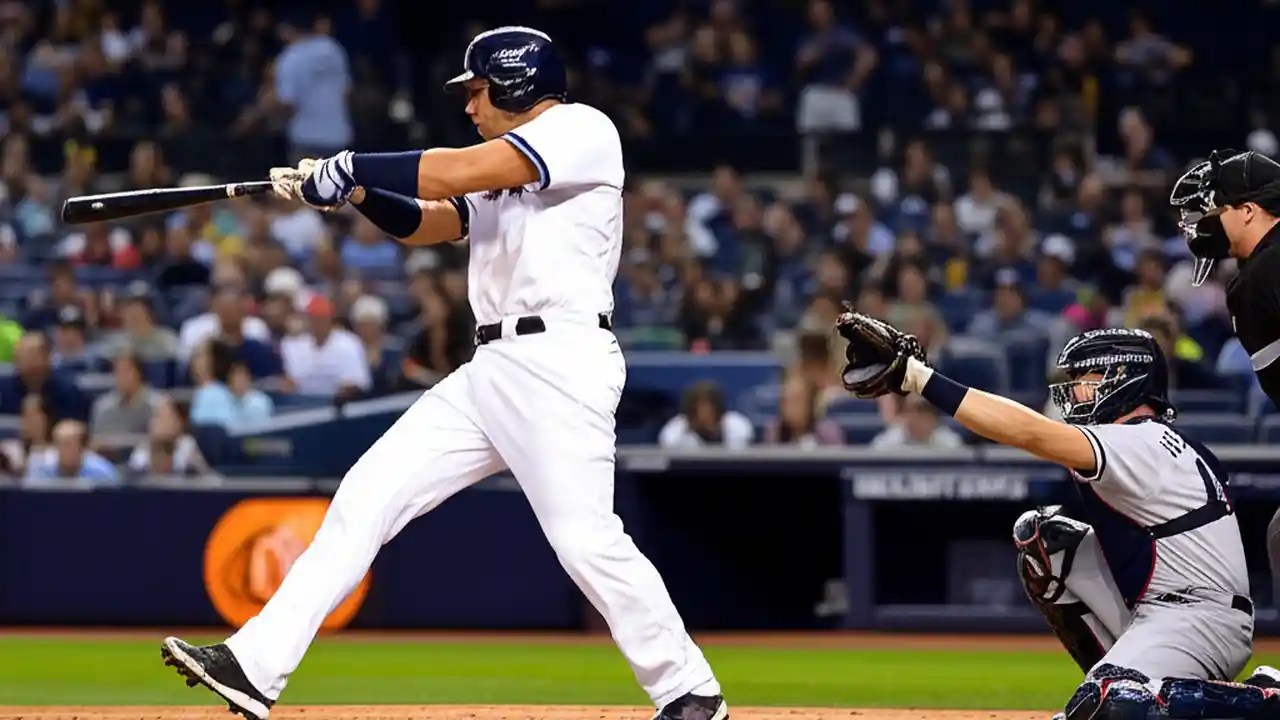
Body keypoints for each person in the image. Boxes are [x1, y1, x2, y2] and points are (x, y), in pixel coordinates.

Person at [161, 26, 727, 720]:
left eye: (479, 90)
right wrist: (354, 192)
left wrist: (352, 163)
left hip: (560, 363)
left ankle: (688, 688)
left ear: (519, 82)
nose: (469, 105)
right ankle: (255, 665)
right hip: (490, 366)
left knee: (586, 541)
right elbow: (431, 222)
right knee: (366, 496)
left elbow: (454, 172)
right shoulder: (504, 162)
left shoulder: (582, 131)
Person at [835, 311, 1279, 720]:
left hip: (1199, 618)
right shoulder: (1147, 438)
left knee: (1111, 704)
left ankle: (1262, 700)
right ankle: (1129, 677)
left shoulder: (1138, 441)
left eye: (1087, 375)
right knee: (1046, 541)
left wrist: (920, 378)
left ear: (1122, 379)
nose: (1076, 387)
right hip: (1160, 606)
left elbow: (1028, 431)